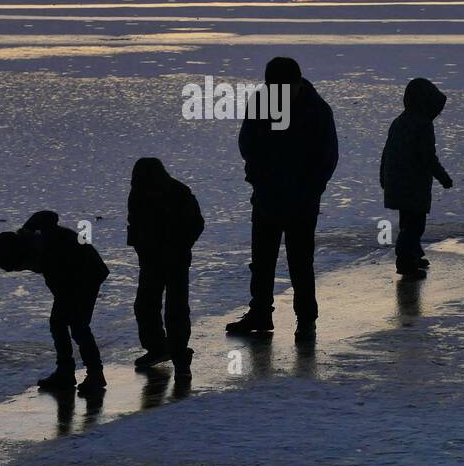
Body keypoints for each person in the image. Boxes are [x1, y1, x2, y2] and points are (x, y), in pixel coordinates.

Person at [226, 57, 338, 343]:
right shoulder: (263, 101)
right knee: (262, 261)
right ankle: (261, 314)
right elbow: (247, 143)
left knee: (300, 262)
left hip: (301, 201)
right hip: (267, 196)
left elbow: (327, 158)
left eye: (282, 86)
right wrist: (257, 177)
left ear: (297, 82)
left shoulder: (317, 111)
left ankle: (306, 320)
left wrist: (311, 190)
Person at [0, 210, 109, 395]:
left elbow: (62, 285)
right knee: (58, 322)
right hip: (73, 275)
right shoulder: (34, 242)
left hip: (87, 273)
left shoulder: (47, 251)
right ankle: (65, 372)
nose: (21, 270)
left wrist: (65, 305)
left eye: (18, 266)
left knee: (78, 326)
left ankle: (95, 373)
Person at [126, 158, 205, 380]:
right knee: (145, 306)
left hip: (175, 258)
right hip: (152, 259)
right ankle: (159, 348)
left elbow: (196, 223)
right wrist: (141, 247)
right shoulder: (139, 193)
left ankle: (179, 356)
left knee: (175, 309)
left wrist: (181, 245)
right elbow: (134, 224)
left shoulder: (178, 192)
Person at [380, 78, 452, 279]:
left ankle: (413, 254)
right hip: (413, 185)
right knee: (414, 226)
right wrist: (443, 177)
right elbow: (428, 157)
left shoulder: (399, 121)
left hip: (398, 182)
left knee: (408, 223)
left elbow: (386, 153)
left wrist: (384, 177)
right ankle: (405, 261)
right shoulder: (423, 125)